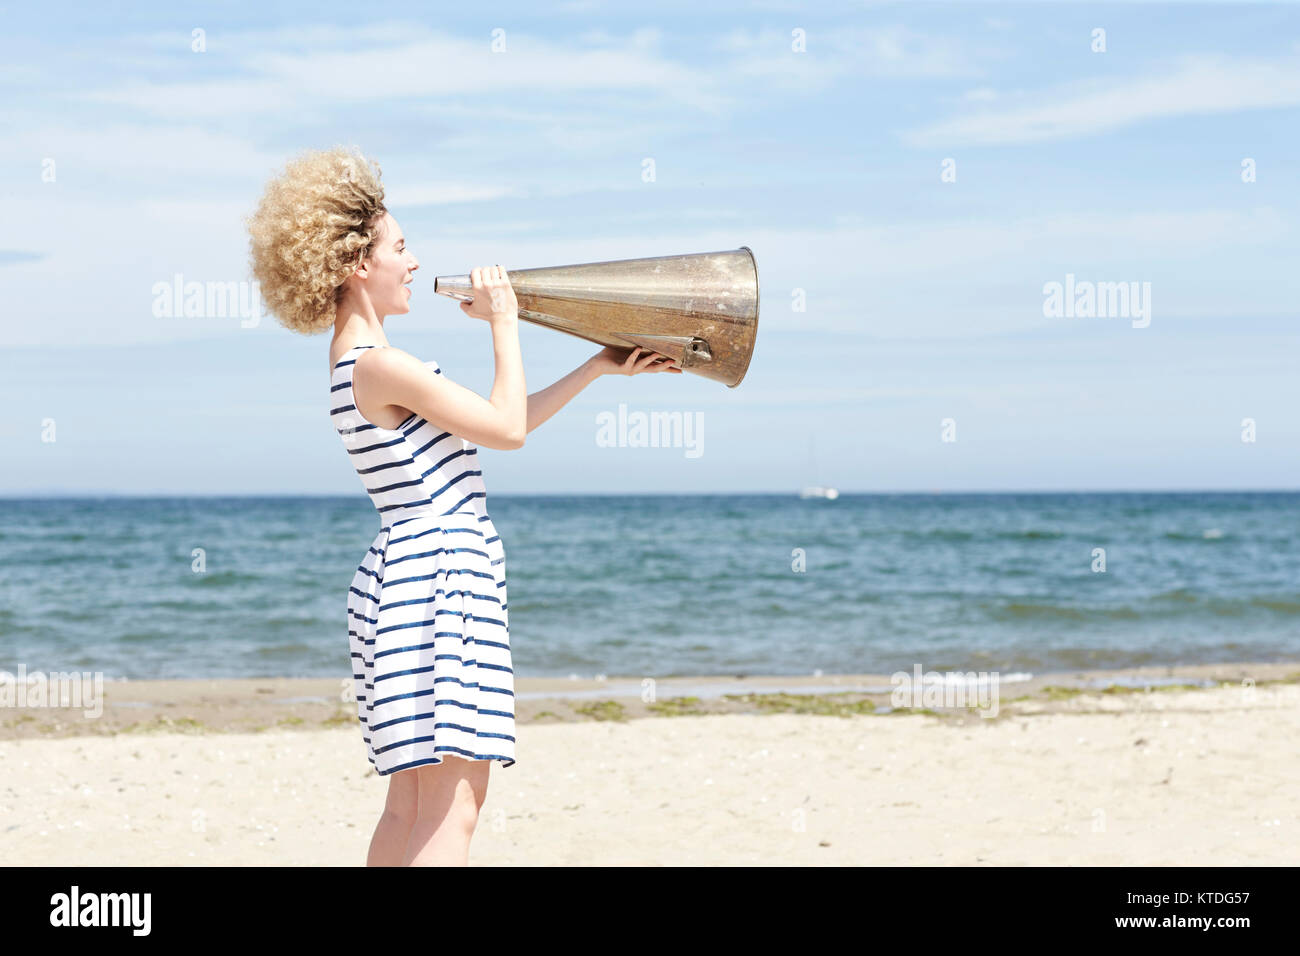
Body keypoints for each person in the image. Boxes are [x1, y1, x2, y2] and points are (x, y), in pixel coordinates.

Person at [246, 145, 680, 866]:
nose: (414, 263)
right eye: (402, 247)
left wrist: (597, 367)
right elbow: (505, 429)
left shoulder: (354, 362)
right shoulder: (384, 364)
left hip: (405, 577)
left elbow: (496, 419)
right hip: (443, 578)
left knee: (409, 806)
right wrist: (503, 322)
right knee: (455, 812)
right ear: (359, 264)